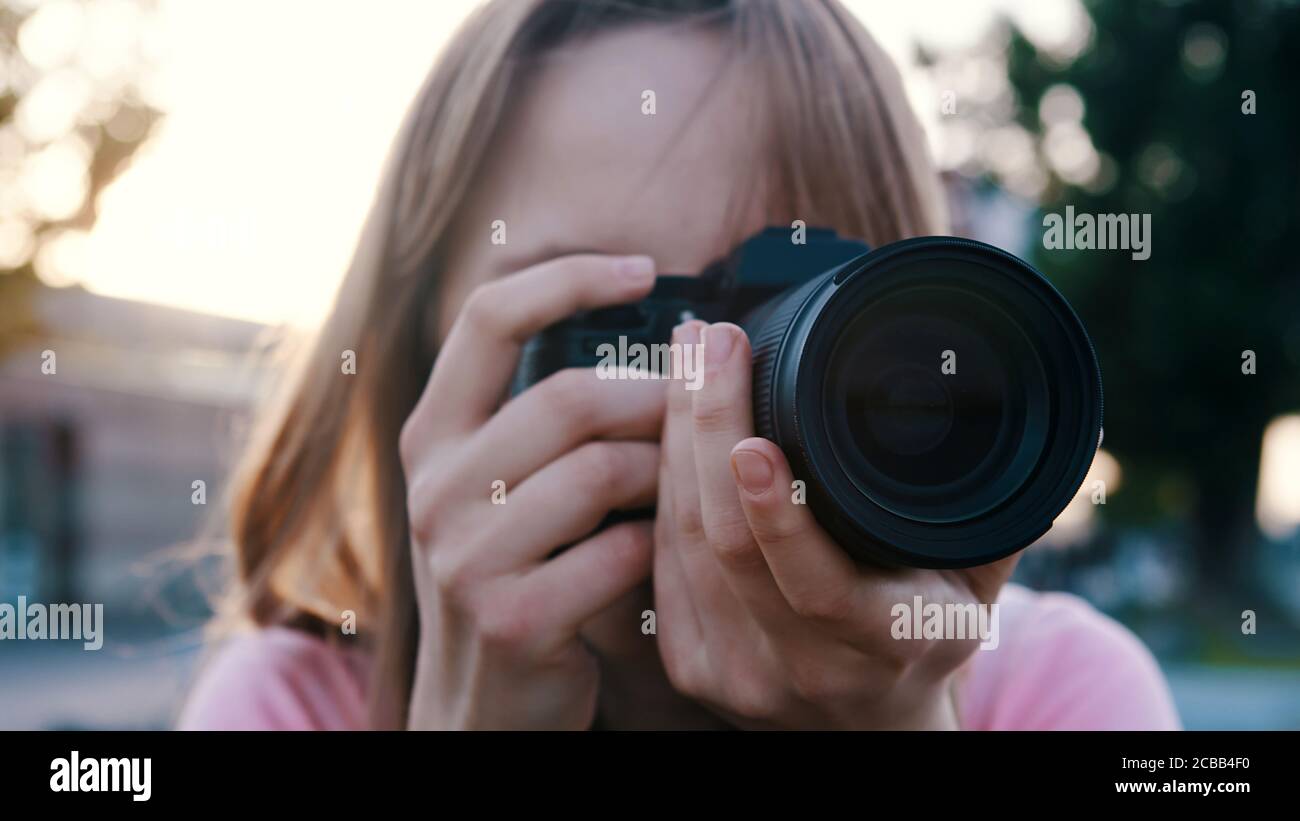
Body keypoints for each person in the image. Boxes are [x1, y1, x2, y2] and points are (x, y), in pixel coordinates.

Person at [179, 0, 1180, 730]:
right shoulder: (292, 707)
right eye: (606, 313)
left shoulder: (1057, 693)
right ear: (417, 358)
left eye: (785, 309)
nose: (706, 390)